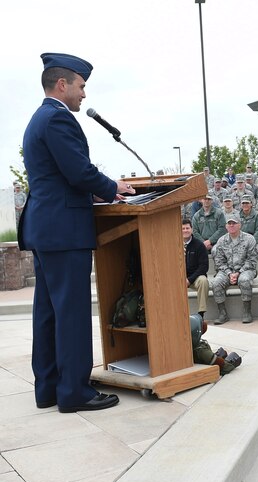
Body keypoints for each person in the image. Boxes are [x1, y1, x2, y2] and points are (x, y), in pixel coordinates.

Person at [20, 52, 136, 413]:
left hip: (46, 229)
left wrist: (101, 187)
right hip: (63, 230)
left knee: (49, 312)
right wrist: (111, 186)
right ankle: (75, 392)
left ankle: (49, 389)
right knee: (69, 313)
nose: (84, 94)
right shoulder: (57, 120)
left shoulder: (38, 119)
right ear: (62, 84)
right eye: (81, 86)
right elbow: (79, 172)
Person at [211, 216, 258, 325]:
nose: (231, 226)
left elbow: (252, 260)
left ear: (240, 225)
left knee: (244, 280)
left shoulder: (249, 239)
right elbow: (219, 261)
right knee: (216, 283)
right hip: (226, 271)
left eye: (234, 223)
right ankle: (222, 313)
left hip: (246, 270)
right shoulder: (221, 240)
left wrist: (238, 273)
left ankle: (247, 312)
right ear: (226, 226)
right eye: (229, 224)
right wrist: (229, 273)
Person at [183, 219, 210, 318]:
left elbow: (204, 267)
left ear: (192, 230)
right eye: (183, 228)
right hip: (179, 278)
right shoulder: (174, 244)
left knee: (203, 281)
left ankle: (201, 313)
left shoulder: (199, 245)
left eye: (187, 228)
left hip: (195, 278)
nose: (185, 230)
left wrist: (189, 280)